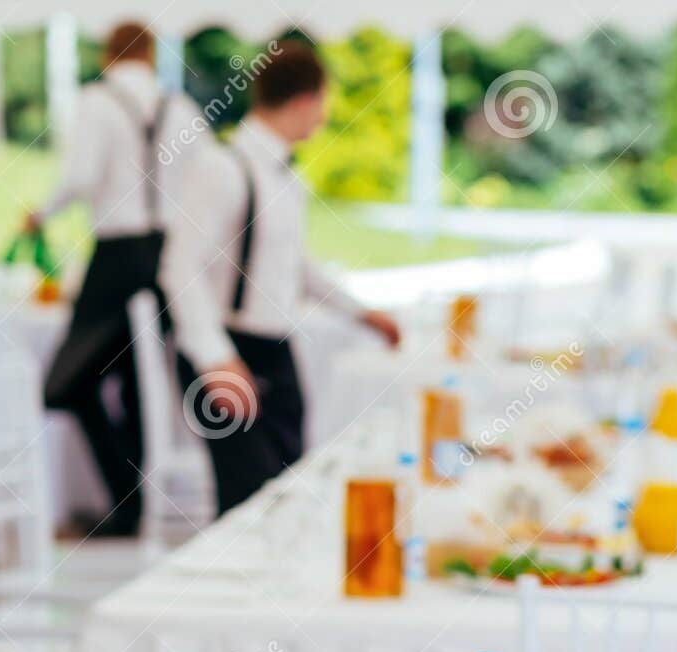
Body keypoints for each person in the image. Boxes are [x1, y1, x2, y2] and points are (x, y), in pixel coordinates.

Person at [161, 41, 399, 516]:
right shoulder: (221, 167)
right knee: (248, 503)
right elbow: (179, 267)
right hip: (230, 349)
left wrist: (361, 313)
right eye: (323, 101)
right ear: (306, 100)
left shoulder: (287, 177)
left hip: (276, 350)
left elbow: (293, 263)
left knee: (290, 490)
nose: (323, 115)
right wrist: (216, 360)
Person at [28, 22, 206, 537]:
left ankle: (127, 502)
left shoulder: (96, 101)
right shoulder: (182, 108)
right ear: (149, 55)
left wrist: (42, 214)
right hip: (170, 255)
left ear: (109, 55)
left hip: (117, 255)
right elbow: (204, 184)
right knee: (145, 381)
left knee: (65, 382)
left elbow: (81, 176)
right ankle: (134, 503)